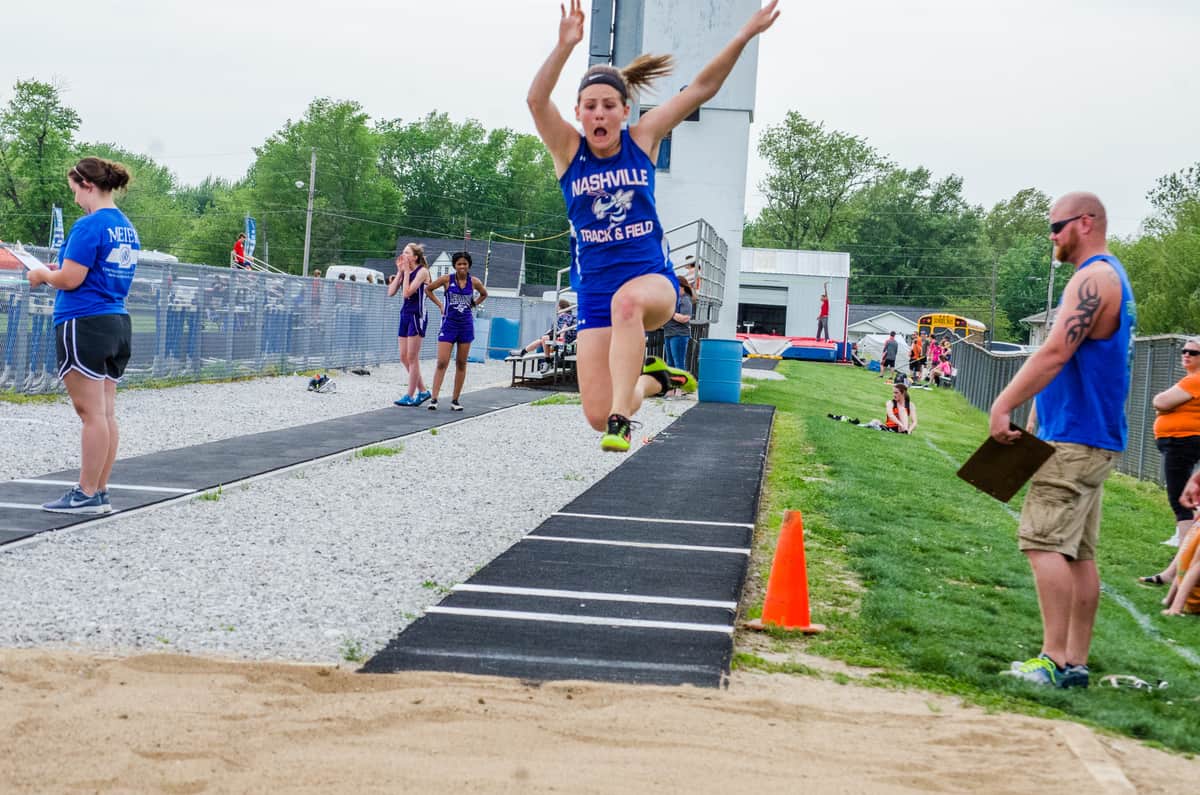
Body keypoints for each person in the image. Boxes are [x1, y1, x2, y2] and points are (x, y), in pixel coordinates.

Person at [527, 0, 779, 451]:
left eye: (608, 105)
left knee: (627, 306)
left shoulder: (642, 139)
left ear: (625, 111)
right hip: (595, 292)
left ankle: (622, 420)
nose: (599, 114)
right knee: (595, 415)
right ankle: (654, 381)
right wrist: (565, 46)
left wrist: (744, 35)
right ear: (579, 113)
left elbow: (701, 88)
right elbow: (535, 101)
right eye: (590, 106)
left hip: (652, 284)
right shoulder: (568, 151)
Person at [989, 192, 1136, 689]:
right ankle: (1074, 664)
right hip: (1088, 436)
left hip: (1075, 441)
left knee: (1042, 543)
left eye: (1056, 226)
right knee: (1078, 554)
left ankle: (1051, 659)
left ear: (1085, 222)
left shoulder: (1093, 279)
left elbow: (1054, 352)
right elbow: (1072, 363)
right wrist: (1036, 417)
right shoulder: (1111, 277)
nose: (1051, 236)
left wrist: (1003, 404)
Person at [25, 157, 138, 514]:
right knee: (105, 413)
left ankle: (86, 493)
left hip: (84, 321)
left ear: (87, 185)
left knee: (90, 413)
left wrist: (42, 274)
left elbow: (70, 279)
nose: (74, 198)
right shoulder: (125, 226)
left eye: (74, 190)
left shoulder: (89, 225)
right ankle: (99, 489)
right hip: (116, 320)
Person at [1152, 337, 1200, 547]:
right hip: (1180, 441)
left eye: (1193, 352)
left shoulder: (1195, 380)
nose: (1187, 355)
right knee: (1183, 490)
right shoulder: (1190, 380)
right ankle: (1184, 538)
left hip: (1182, 441)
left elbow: (1160, 401)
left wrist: (1165, 408)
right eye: (1184, 351)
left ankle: (1185, 545)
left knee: (1179, 495)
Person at [425, 251, 487, 411]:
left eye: (465, 264)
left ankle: (455, 400)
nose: (462, 267)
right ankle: (434, 398)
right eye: (459, 264)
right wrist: (440, 305)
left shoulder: (474, 282)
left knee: (461, 363)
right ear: (454, 266)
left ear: (469, 265)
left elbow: (484, 294)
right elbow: (428, 289)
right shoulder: (447, 279)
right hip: (449, 324)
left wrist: (473, 304)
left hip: (465, 325)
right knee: (442, 361)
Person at [388, 242, 433, 407]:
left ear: (415, 257)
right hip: (405, 314)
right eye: (403, 252)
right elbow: (391, 292)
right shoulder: (405, 271)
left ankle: (410, 395)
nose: (403, 255)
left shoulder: (422, 272)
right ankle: (423, 391)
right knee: (403, 356)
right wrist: (400, 272)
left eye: (407, 253)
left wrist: (406, 272)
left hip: (417, 315)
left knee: (412, 357)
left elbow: (407, 293)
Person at [663, 281, 693, 374]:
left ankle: (680, 383)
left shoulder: (685, 299)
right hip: (669, 333)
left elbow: (685, 318)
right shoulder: (675, 299)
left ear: (682, 287)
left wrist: (670, 313)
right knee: (670, 363)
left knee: (678, 363)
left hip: (679, 334)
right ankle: (672, 382)